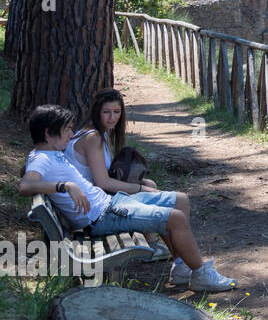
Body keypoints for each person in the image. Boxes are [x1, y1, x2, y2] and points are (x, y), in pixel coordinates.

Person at [19, 104, 235, 292]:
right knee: (176, 217)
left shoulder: (52, 153)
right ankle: (201, 275)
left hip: (111, 204)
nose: (70, 134)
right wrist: (64, 185)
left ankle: (181, 267)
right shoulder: (41, 159)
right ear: (48, 134)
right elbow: (25, 185)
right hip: (103, 217)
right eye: (66, 129)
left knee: (180, 199)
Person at [67, 88, 182, 263]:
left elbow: (109, 173)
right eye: (106, 112)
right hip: (92, 205)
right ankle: (157, 247)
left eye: (116, 112)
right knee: (150, 190)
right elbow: (103, 182)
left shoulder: (100, 133)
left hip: (93, 197)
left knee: (149, 184)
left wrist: (142, 184)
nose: (112, 117)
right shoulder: (92, 137)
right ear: (96, 112)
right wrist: (140, 188)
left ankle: (153, 244)